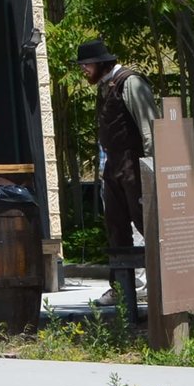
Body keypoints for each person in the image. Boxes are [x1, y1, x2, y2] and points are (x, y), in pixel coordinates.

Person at [77, 39, 158, 312]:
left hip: (136, 168)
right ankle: (122, 289)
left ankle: (164, 284)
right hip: (114, 168)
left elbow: (150, 129)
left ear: (101, 63)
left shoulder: (130, 82)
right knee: (116, 229)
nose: (83, 70)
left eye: (86, 64)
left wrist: (151, 171)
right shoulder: (106, 86)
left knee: (149, 226)